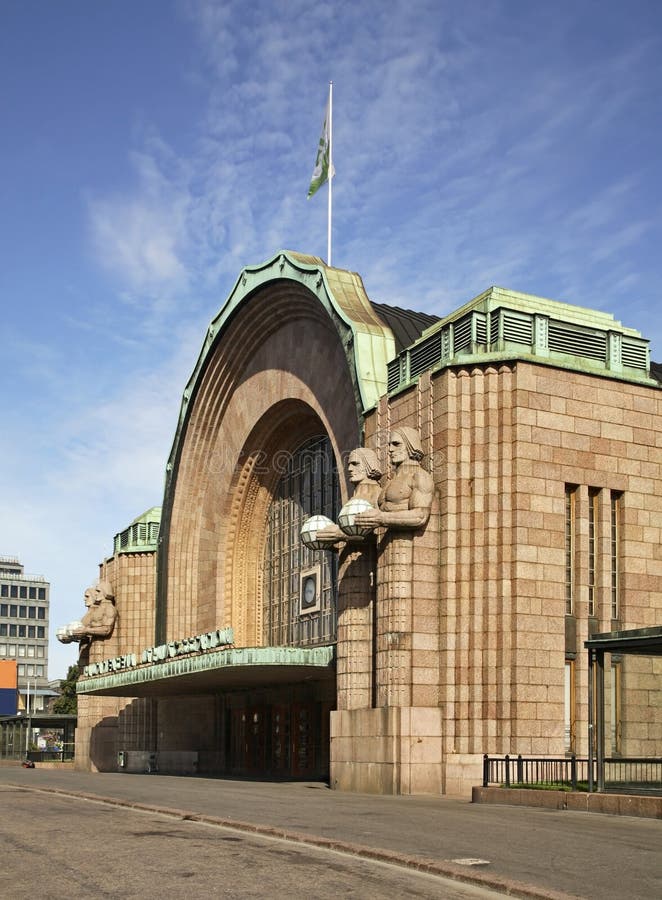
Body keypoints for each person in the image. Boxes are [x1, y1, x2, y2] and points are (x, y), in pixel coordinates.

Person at [354, 427, 433, 531]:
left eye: (396, 444)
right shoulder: (389, 483)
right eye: (389, 445)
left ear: (411, 445)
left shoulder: (420, 476)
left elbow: (420, 516)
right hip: (387, 539)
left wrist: (381, 518)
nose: (390, 449)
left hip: (409, 539)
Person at [315, 447, 383, 543]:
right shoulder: (354, 497)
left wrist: (340, 535)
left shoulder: (377, 493)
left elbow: (379, 533)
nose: (350, 469)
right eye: (349, 465)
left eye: (355, 464)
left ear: (369, 465)